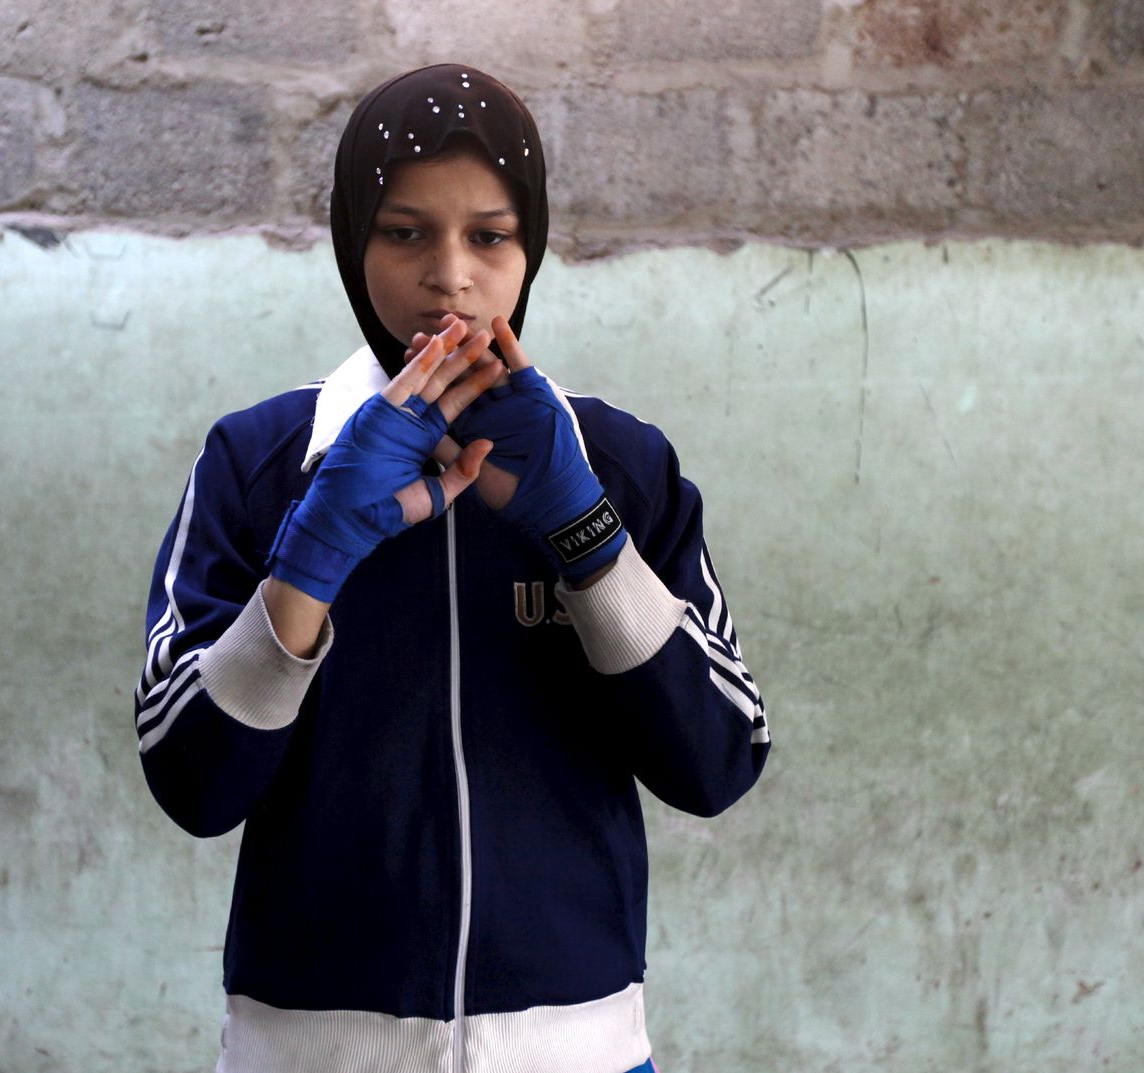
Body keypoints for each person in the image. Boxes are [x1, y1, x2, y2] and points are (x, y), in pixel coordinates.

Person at [134, 63, 768, 1073]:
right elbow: (191, 781)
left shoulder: (620, 463)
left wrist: (588, 537)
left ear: (533, 244)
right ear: (351, 239)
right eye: (402, 231)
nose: (448, 274)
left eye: (488, 234)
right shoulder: (258, 462)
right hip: (308, 1050)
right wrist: (312, 555)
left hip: (578, 1049)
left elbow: (719, 758)